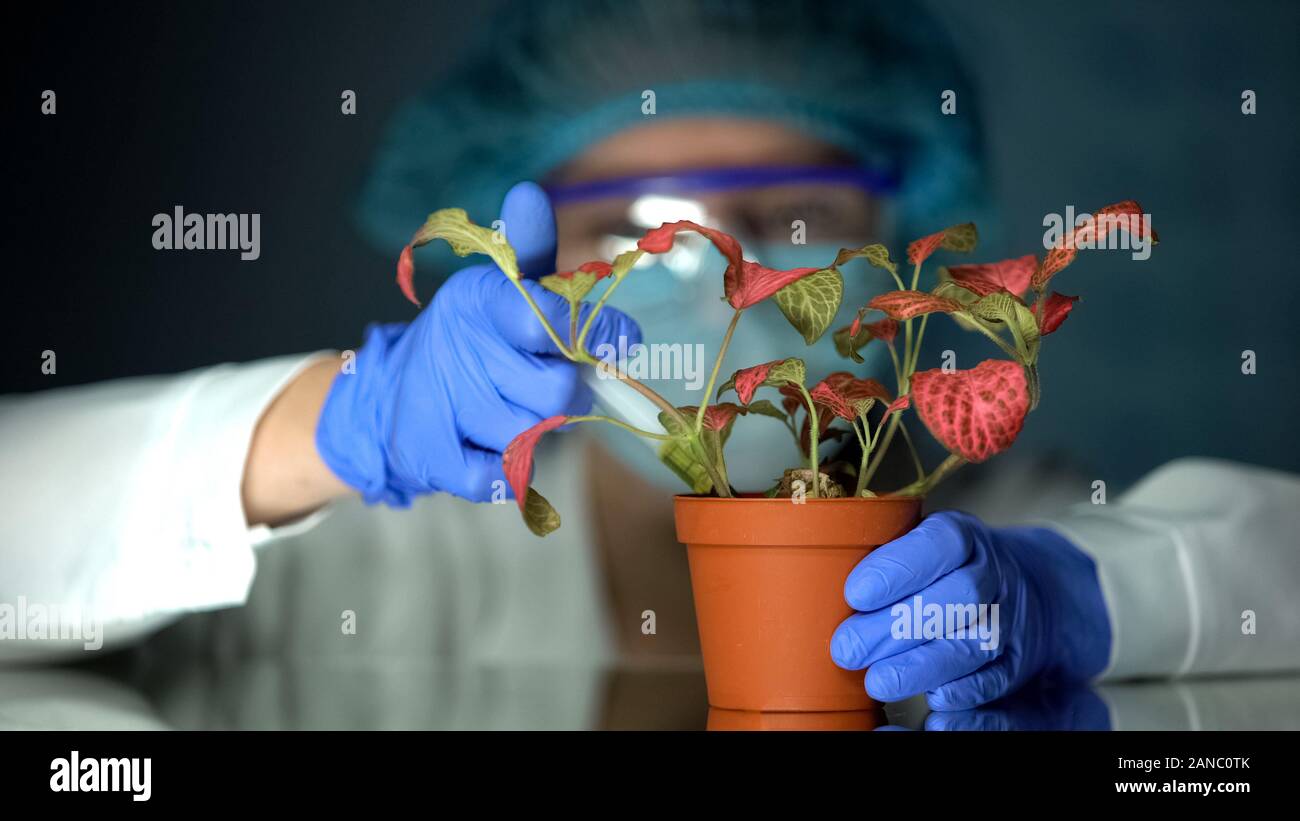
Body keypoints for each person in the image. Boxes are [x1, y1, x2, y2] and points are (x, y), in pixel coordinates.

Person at [2, 1, 1298, 718]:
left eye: (793, 220)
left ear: (896, 244)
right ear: (527, 253)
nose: (707, 269)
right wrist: (316, 432)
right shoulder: (372, 556)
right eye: (631, 227)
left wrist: (1091, 594)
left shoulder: (983, 538)